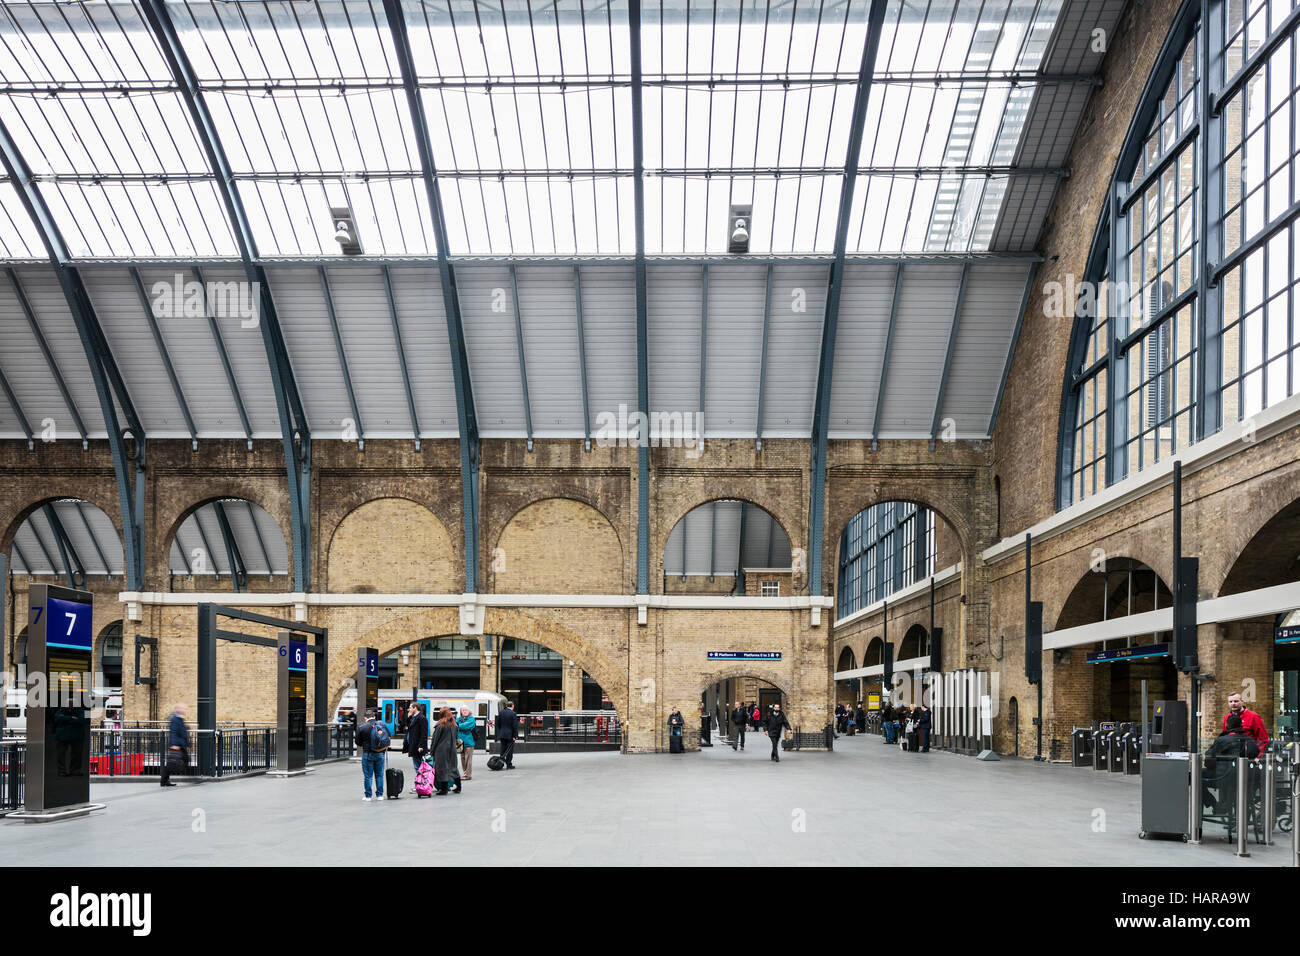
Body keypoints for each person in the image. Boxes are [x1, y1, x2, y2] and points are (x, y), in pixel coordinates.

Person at [356, 708, 390, 801]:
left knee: (368, 776)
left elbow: (358, 742)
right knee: (379, 775)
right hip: (380, 754)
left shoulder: (361, 727)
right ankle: (380, 795)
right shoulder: (382, 725)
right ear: (374, 717)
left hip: (368, 754)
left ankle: (368, 796)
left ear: (365, 718)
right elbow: (388, 736)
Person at [431, 707, 461, 795]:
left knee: (442, 769)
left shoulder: (440, 724)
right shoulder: (454, 724)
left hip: (441, 750)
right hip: (452, 749)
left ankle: (444, 789)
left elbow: (435, 739)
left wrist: (432, 751)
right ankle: (458, 787)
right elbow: (456, 737)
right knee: (453, 768)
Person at [160, 702, 188, 787]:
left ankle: (164, 780)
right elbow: (173, 732)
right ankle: (164, 781)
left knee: (179, 762)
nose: (185, 710)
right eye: (183, 708)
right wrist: (173, 744)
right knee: (173, 764)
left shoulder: (179, 718)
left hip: (180, 744)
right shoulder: (175, 719)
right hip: (177, 744)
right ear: (178, 709)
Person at [404, 702, 429, 784]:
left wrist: (421, 746)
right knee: (417, 766)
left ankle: (421, 783)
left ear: (415, 708)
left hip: (417, 746)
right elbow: (408, 728)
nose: (409, 709)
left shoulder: (421, 718)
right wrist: (408, 717)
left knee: (419, 766)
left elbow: (424, 734)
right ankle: (420, 783)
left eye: (410, 707)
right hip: (412, 745)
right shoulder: (413, 718)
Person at [496, 700, 520, 769]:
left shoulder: (501, 712)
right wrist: (515, 736)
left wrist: (501, 730)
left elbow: (498, 724)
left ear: (506, 706)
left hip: (502, 734)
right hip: (510, 735)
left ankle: (500, 763)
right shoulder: (513, 713)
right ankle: (509, 764)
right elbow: (514, 726)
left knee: (502, 749)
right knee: (509, 750)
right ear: (512, 706)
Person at [456, 706, 477, 780]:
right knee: (462, 758)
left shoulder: (471, 719)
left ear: (469, 711)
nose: (465, 711)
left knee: (468, 759)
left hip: (469, 742)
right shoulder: (458, 719)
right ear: (461, 711)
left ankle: (468, 775)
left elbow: (466, 726)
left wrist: (458, 726)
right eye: (463, 710)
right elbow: (455, 725)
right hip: (460, 742)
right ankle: (465, 773)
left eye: (466, 710)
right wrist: (458, 726)